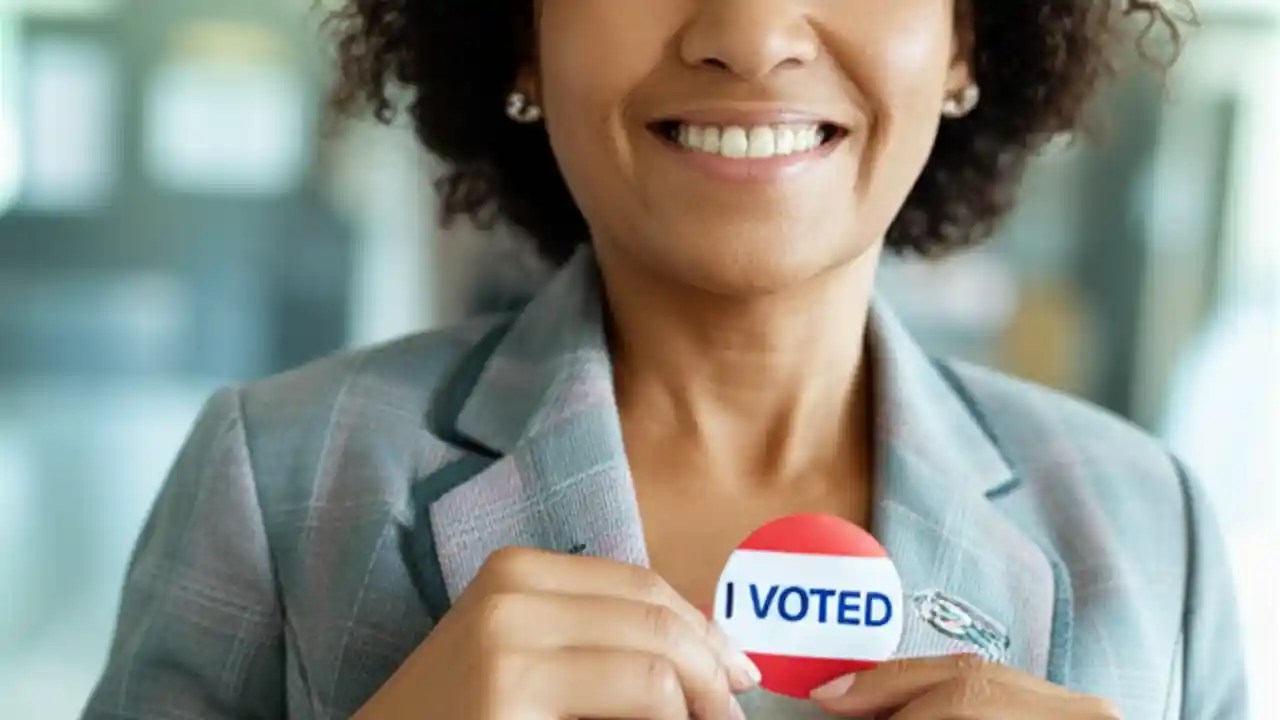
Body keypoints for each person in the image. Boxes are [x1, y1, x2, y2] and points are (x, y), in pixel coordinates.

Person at [83, 1, 1248, 718]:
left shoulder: (1154, 533)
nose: (747, 34)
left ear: (964, 36)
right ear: (521, 36)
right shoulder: (275, 478)